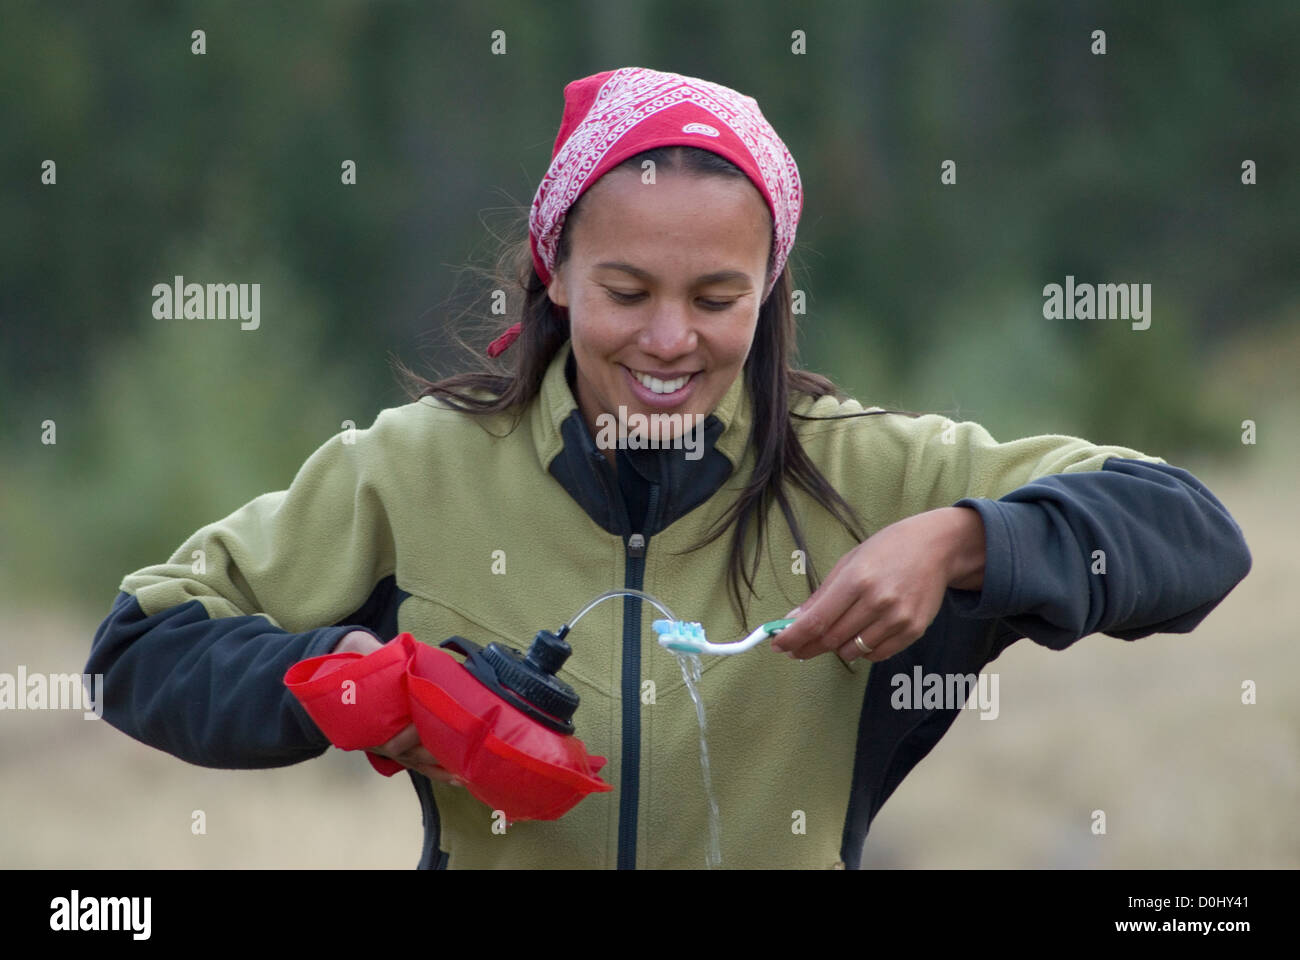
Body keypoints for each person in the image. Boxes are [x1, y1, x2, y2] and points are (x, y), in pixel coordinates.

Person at [87, 66, 1252, 869]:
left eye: (716, 297)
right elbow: (141, 645)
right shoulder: (408, 471)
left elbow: (1190, 529)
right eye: (626, 292)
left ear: (772, 291)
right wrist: (366, 681)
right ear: (554, 272)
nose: (667, 341)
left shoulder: (870, 472)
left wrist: (963, 541)